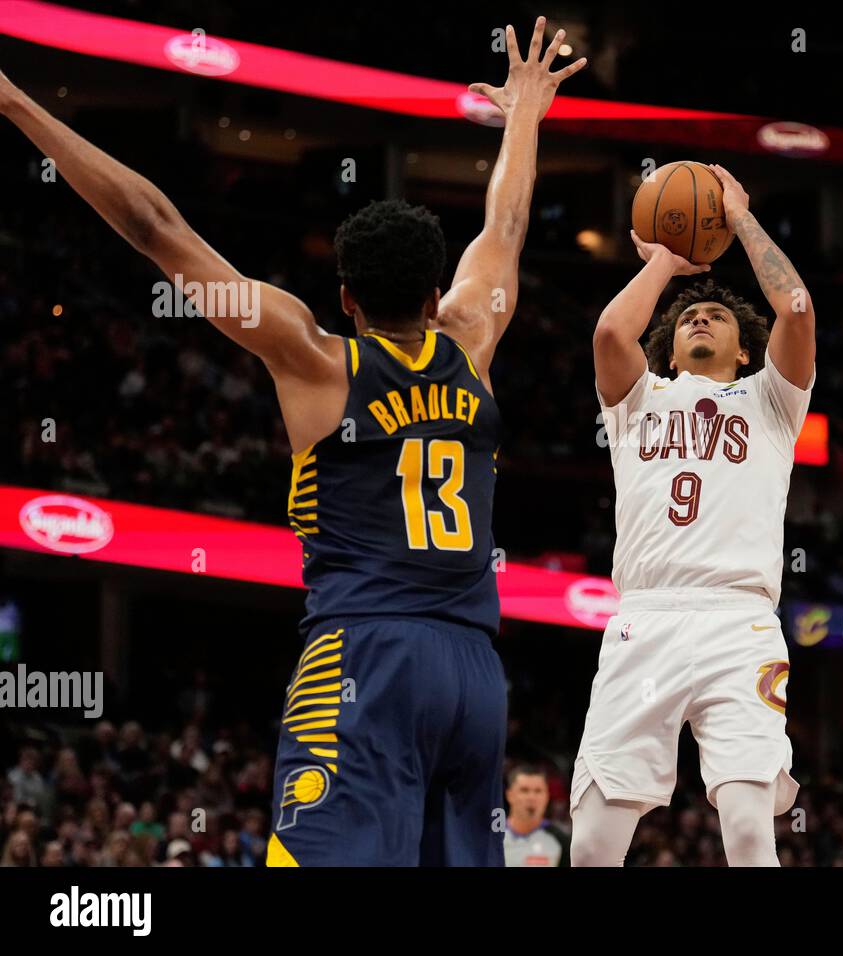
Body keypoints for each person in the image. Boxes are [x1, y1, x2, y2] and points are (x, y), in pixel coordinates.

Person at [0, 17, 585, 866]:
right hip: (473, 673)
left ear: (344, 298)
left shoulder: (313, 358)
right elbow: (506, 228)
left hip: (365, 656)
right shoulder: (474, 340)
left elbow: (156, 227)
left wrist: (17, 103)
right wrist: (526, 111)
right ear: (434, 291)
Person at [573, 166, 815, 866]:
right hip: (644, 614)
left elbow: (796, 308)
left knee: (747, 827)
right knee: (591, 846)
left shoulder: (771, 403)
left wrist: (738, 218)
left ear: (745, 350)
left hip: (736, 621)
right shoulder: (637, 399)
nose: (699, 317)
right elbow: (610, 333)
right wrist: (663, 265)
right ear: (670, 348)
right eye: (686, 319)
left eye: (715, 316)